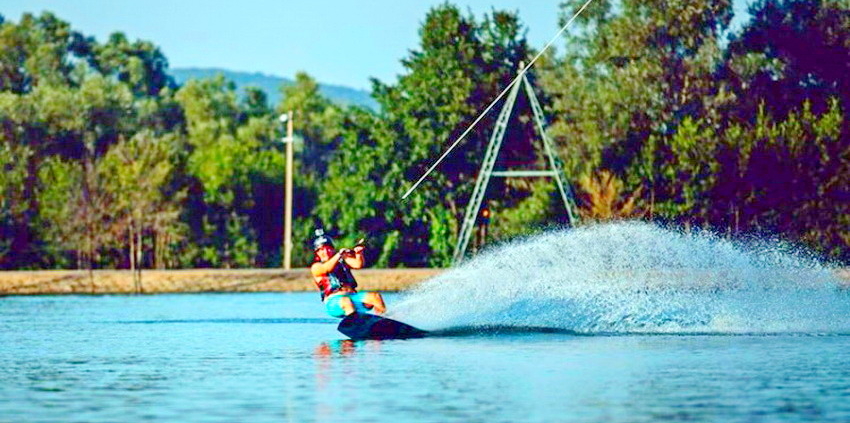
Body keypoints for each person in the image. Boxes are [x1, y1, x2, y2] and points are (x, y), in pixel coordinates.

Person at [311, 229, 386, 318]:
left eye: (328, 248)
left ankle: (383, 322)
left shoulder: (342, 259)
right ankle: (354, 323)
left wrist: (358, 253)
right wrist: (339, 254)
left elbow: (358, 264)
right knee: (346, 301)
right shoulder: (316, 267)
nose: (326, 252)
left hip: (353, 297)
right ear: (317, 253)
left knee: (375, 297)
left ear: (332, 249)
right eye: (322, 250)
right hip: (334, 303)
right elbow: (327, 268)